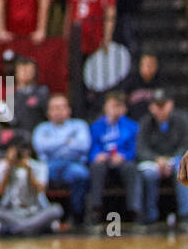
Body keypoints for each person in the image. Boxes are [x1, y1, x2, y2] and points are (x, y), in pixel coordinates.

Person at [31, 93, 90, 224]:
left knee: (81, 174)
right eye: (54, 108)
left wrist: (52, 143)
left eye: (62, 107)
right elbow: (40, 147)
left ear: (69, 110)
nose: (58, 111)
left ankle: (77, 215)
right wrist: (67, 141)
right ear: (48, 112)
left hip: (72, 164)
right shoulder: (41, 128)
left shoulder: (79, 125)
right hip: (49, 165)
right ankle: (40, 216)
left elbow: (83, 146)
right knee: (36, 176)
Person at [86, 92, 141, 226]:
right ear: (105, 107)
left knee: (131, 168)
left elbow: (135, 149)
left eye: (119, 106)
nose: (115, 110)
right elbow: (91, 148)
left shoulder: (132, 126)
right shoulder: (96, 127)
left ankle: (134, 210)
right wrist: (97, 155)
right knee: (96, 167)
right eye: (112, 106)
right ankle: (95, 210)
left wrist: (124, 155)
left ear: (124, 108)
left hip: (123, 160)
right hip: (103, 160)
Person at [135, 91, 188, 227]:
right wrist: (157, 159)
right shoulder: (145, 122)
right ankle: (150, 217)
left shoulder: (182, 120)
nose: (160, 109)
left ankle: (185, 215)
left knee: (183, 170)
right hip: (153, 163)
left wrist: (171, 159)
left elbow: (185, 145)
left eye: (163, 105)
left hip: (175, 160)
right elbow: (141, 149)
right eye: (157, 106)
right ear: (151, 107)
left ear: (171, 105)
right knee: (148, 174)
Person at [0, 137, 62, 236]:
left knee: (56, 210)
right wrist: (9, 168)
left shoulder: (39, 166)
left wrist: (29, 171)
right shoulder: (6, 166)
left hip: (35, 212)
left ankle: (20, 228)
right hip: (14, 212)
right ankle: (31, 228)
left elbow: (40, 191)